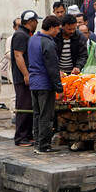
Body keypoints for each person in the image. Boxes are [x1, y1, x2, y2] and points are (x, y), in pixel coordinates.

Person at [29, 15, 63, 153]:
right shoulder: (48, 43)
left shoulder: (32, 39)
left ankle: (37, 143)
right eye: (57, 29)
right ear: (51, 28)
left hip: (34, 82)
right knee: (46, 115)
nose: (58, 32)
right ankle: (43, 145)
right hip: (45, 83)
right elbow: (52, 68)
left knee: (37, 114)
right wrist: (59, 88)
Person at [11, 11, 38, 145]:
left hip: (30, 76)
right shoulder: (21, 35)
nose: (37, 23)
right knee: (24, 106)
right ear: (31, 22)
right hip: (22, 78)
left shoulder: (27, 34)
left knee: (30, 107)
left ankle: (28, 135)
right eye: (35, 21)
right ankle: (21, 138)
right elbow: (18, 56)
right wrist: (26, 74)